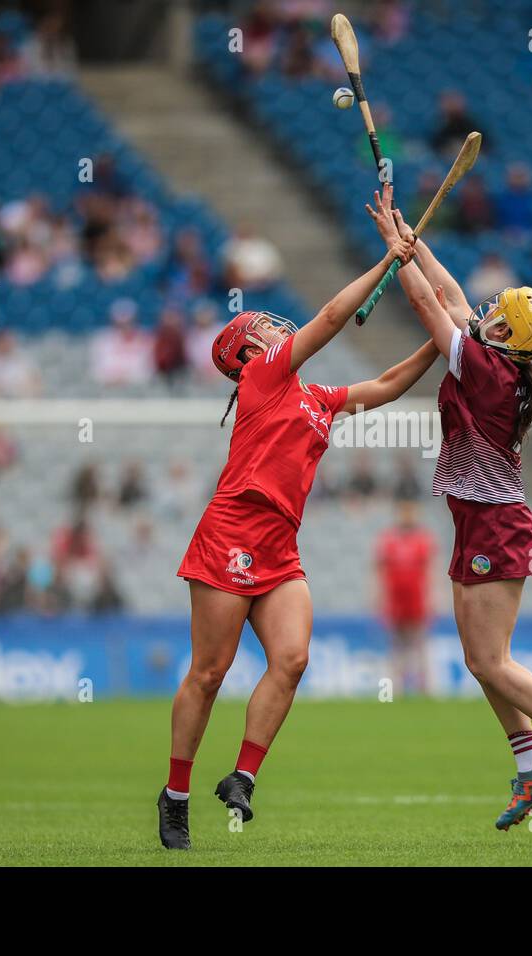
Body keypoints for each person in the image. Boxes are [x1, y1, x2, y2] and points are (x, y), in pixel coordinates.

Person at [159, 229, 435, 850]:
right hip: (229, 536)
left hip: (280, 549)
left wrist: (444, 340)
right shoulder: (262, 380)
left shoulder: (314, 398)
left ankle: (242, 778)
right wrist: (389, 258)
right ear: (249, 350)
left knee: (292, 660)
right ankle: (175, 796)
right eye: (264, 325)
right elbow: (335, 315)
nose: (278, 328)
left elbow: (388, 385)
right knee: (209, 673)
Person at [366, 185, 532, 830]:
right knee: (480, 662)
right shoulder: (495, 354)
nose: (487, 312)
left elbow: (427, 303)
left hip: (496, 526)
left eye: (498, 312)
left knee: (491, 659)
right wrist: (411, 242)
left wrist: (399, 256)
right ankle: (531, 768)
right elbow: (447, 293)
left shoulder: (487, 370)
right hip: (476, 521)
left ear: (509, 335)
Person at [375, 499, 436, 694]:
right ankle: (394, 688)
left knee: (419, 643)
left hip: (416, 599)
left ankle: (424, 687)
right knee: (396, 645)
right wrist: (378, 598)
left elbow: (430, 572)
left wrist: (432, 598)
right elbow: (379, 571)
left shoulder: (423, 540)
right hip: (395, 600)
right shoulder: (388, 540)